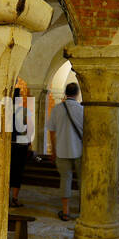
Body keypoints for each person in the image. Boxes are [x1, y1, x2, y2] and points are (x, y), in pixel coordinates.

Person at [46, 82, 84, 221]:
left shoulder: (57, 109)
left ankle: (66, 211)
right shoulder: (82, 110)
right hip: (79, 151)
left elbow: (52, 131)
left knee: (65, 180)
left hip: (61, 151)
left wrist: (53, 150)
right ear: (77, 94)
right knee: (82, 181)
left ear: (65, 93)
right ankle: (83, 210)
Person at [9, 88, 32, 207]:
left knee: (7, 171)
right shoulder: (25, 111)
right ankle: (14, 198)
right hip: (21, 145)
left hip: (7, 146)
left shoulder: (4, 111)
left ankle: (4, 196)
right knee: (18, 172)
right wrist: (29, 144)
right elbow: (29, 130)